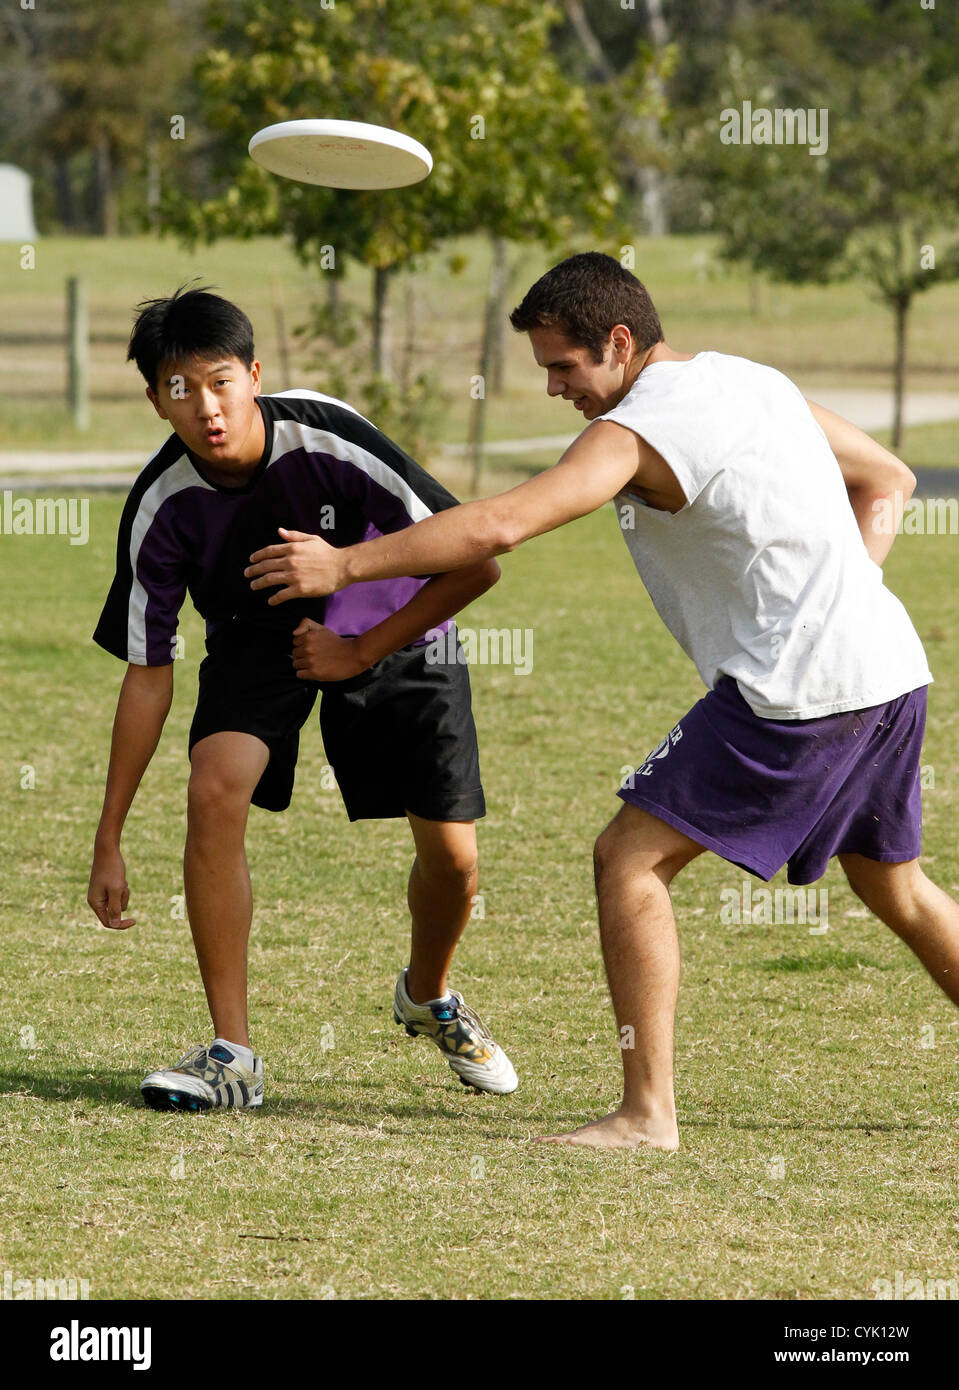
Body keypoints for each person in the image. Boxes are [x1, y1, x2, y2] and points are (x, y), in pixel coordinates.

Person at [244, 250, 959, 1151]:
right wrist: (845, 595)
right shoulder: (751, 381)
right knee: (897, 889)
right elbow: (889, 477)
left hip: (800, 693)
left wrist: (343, 564)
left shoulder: (636, 429)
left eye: (563, 366)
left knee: (628, 860)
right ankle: (645, 1110)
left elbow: (504, 524)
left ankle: (645, 1115)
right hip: (888, 668)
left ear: (619, 343)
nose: (552, 387)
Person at [87, 285, 518, 1111]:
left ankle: (427, 996)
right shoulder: (160, 505)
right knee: (214, 787)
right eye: (180, 389)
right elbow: (148, 670)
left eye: (220, 381)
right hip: (259, 634)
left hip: (393, 617)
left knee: (455, 860)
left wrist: (358, 645)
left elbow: (476, 562)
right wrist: (108, 837)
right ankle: (232, 1057)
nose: (207, 408)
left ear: (255, 373)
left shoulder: (326, 437)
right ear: (154, 400)